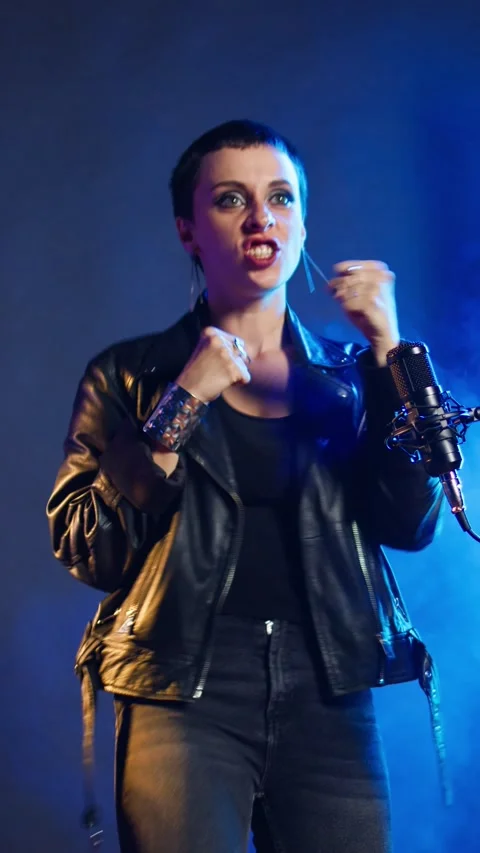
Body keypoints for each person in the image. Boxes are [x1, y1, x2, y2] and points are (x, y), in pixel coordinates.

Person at [47, 119, 443, 853]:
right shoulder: (130, 374)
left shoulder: (356, 376)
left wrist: (392, 355)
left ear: (302, 223)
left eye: (281, 198)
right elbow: (86, 547)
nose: (262, 217)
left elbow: (412, 523)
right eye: (231, 199)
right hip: (179, 691)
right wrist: (181, 403)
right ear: (188, 231)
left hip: (330, 692)